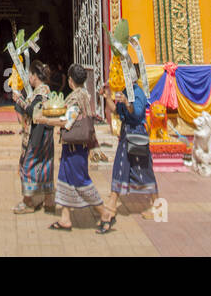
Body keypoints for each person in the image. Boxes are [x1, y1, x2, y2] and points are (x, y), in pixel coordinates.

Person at [45, 63, 106, 231]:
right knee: (64, 180)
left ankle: (103, 212)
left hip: (75, 147)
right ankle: (65, 219)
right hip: (73, 147)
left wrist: (47, 121)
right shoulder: (85, 94)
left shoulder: (75, 99)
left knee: (81, 181)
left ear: (70, 81)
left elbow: (68, 122)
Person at [99, 77, 160, 232]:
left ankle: (158, 207)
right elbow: (116, 111)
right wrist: (107, 97)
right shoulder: (126, 91)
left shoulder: (137, 93)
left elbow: (138, 112)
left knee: (144, 171)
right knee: (120, 167)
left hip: (136, 134)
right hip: (126, 135)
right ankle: (112, 205)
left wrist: (127, 102)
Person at [11, 61, 55, 214]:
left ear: (36, 76)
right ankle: (49, 200)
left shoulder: (41, 93)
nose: (29, 77)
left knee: (28, 164)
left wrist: (19, 100)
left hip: (38, 135)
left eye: (30, 74)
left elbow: (33, 112)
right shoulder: (42, 91)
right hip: (45, 134)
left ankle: (28, 201)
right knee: (45, 164)